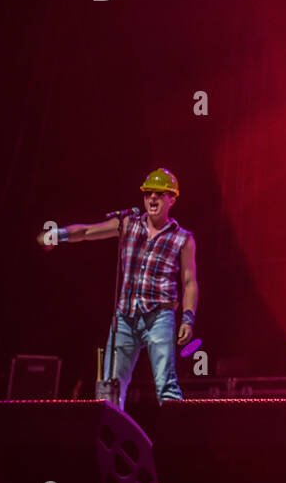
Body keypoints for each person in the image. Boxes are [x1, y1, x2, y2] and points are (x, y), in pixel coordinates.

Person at [43, 168, 196, 408]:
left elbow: (189, 282)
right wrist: (57, 235)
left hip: (160, 315)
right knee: (110, 386)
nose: (152, 199)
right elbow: (87, 231)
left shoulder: (183, 238)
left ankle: (177, 441)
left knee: (166, 384)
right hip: (125, 316)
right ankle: (107, 440)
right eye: (147, 194)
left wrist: (187, 318)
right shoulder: (128, 223)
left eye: (159, 194)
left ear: (172, 199)